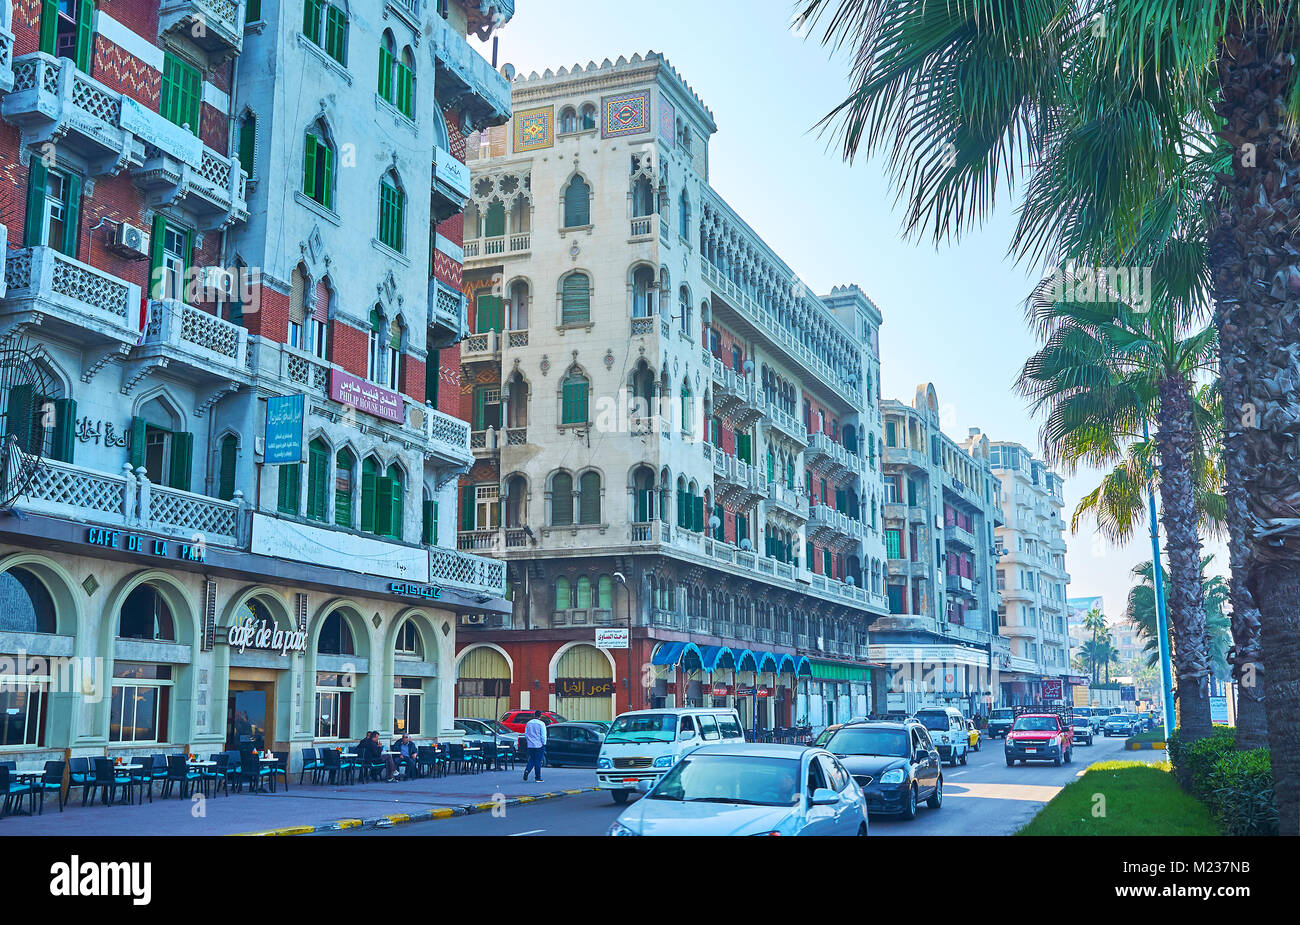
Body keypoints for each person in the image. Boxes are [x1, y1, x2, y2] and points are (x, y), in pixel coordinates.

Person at [522, 711, 548, 783]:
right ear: (540, 716)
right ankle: (538, 777)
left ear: (534, 715)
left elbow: (526, 734)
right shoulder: (541, 724)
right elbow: (543, 735)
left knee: (532, 759)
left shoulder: (529, 723)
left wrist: (529, 741)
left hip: (530, 745)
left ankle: (527, 770)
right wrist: (544, 743)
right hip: (539, 744)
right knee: (538, 761)